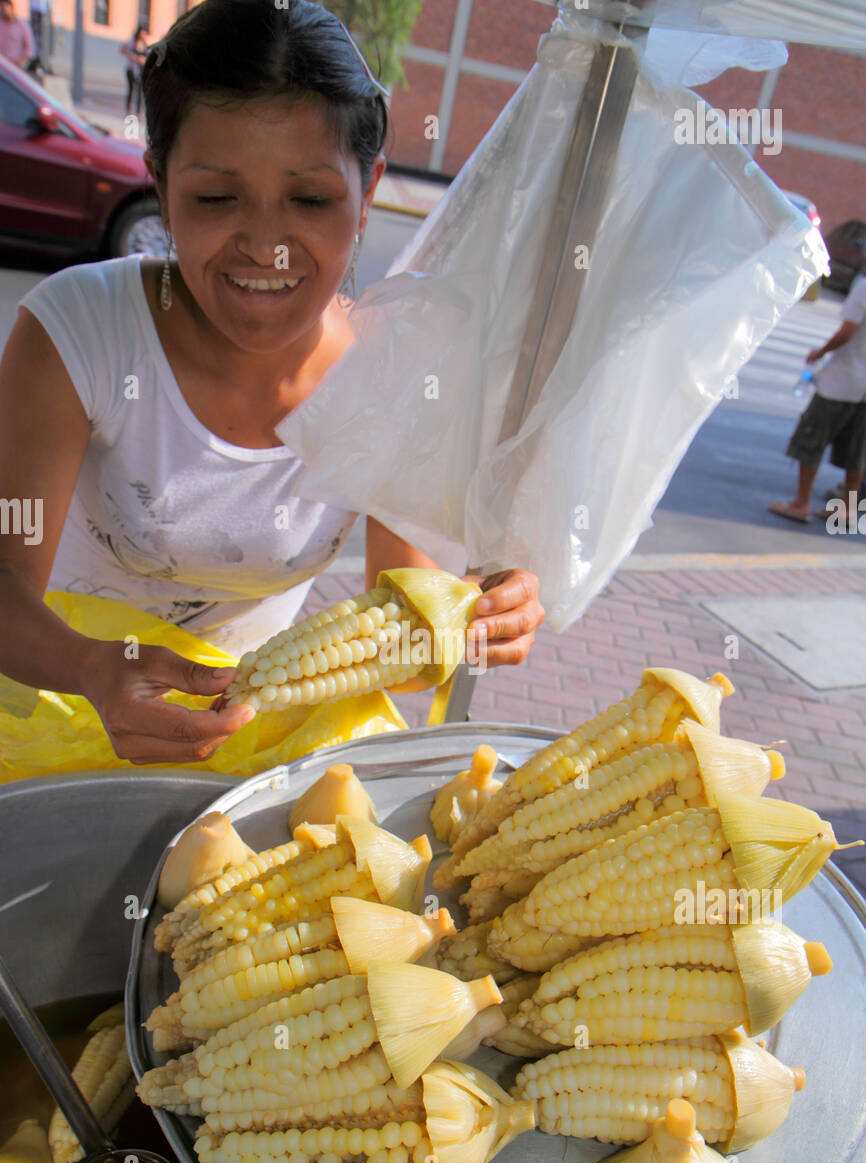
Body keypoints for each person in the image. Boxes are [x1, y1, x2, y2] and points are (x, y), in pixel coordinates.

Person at [0, 0, 544, 768]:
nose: (266, 246)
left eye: (311, 199)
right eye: (217, 198)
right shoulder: (76, 331)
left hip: (256, 736)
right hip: (57, 697)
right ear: (159, 182)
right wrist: (97, 668)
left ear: (369, 192)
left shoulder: (395, 376)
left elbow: (409, 622)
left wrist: (476, 616)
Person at [769, 274, 866, 527]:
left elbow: (846, 333)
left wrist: (819, 352)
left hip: (842, 380)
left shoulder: (864, 287)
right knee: (855, 448)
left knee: (811, 439)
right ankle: (847, 510)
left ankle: (801, 503)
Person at [120, 24, 148, 118]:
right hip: (131, 69)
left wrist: (141, 60)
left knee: (139, 91)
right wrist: (131, 55)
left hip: (140, 71)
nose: (143, 35)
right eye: (142, 33)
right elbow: (122, 50)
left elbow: (146, 58)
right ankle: (128, 110)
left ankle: (138, 112)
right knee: (131, 90)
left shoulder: (144, 45)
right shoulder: (131, 42)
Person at [0, 0, 34, 68]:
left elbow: (30, 50)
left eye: (4, 8)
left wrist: (20, 62)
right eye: (1, 8)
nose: (3, 11)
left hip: (15, 68)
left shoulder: (22, 26)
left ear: (11, 8)